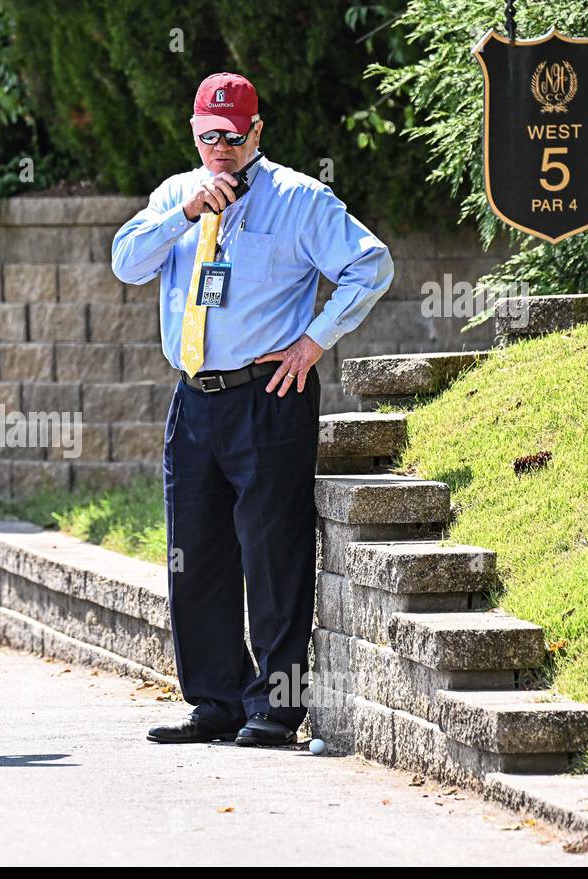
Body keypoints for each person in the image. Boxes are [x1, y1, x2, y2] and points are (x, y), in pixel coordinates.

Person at [111, 72, 394, 748]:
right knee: (196, 555)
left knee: (273, 553)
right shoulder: (174, 197)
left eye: (234, 138)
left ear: (256, 132)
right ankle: (215, 701)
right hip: (194, 398)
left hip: (269, 395)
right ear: (193, 131)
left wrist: (313, 340)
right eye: (209, 137)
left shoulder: (299, 198)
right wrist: (183, 215)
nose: (221, 150)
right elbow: (125, 263)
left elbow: (370, 264)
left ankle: (276, 706)